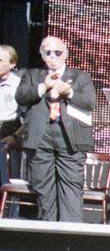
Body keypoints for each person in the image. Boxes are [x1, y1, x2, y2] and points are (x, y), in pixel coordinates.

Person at [14, 36, 96, 222]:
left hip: (70, 137)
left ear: (66, 54)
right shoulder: (33, 75)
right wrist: (43, 86)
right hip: (40, 136)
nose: (52, 56)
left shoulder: (79, 76)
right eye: (47, 52)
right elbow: (21, 96)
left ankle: (71, 237)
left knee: (71, 187)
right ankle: (48, 234)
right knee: (43, 188)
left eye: (57, 52)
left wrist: (70, 93)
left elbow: (90, 102)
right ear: (41, 54)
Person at [0, 45, 23, 188]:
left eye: (1, 60)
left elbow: (28, 119)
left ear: (12, 64)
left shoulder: (19, 85)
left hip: (9, 134)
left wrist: (15, 136)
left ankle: (9, 209)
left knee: (8, 180)